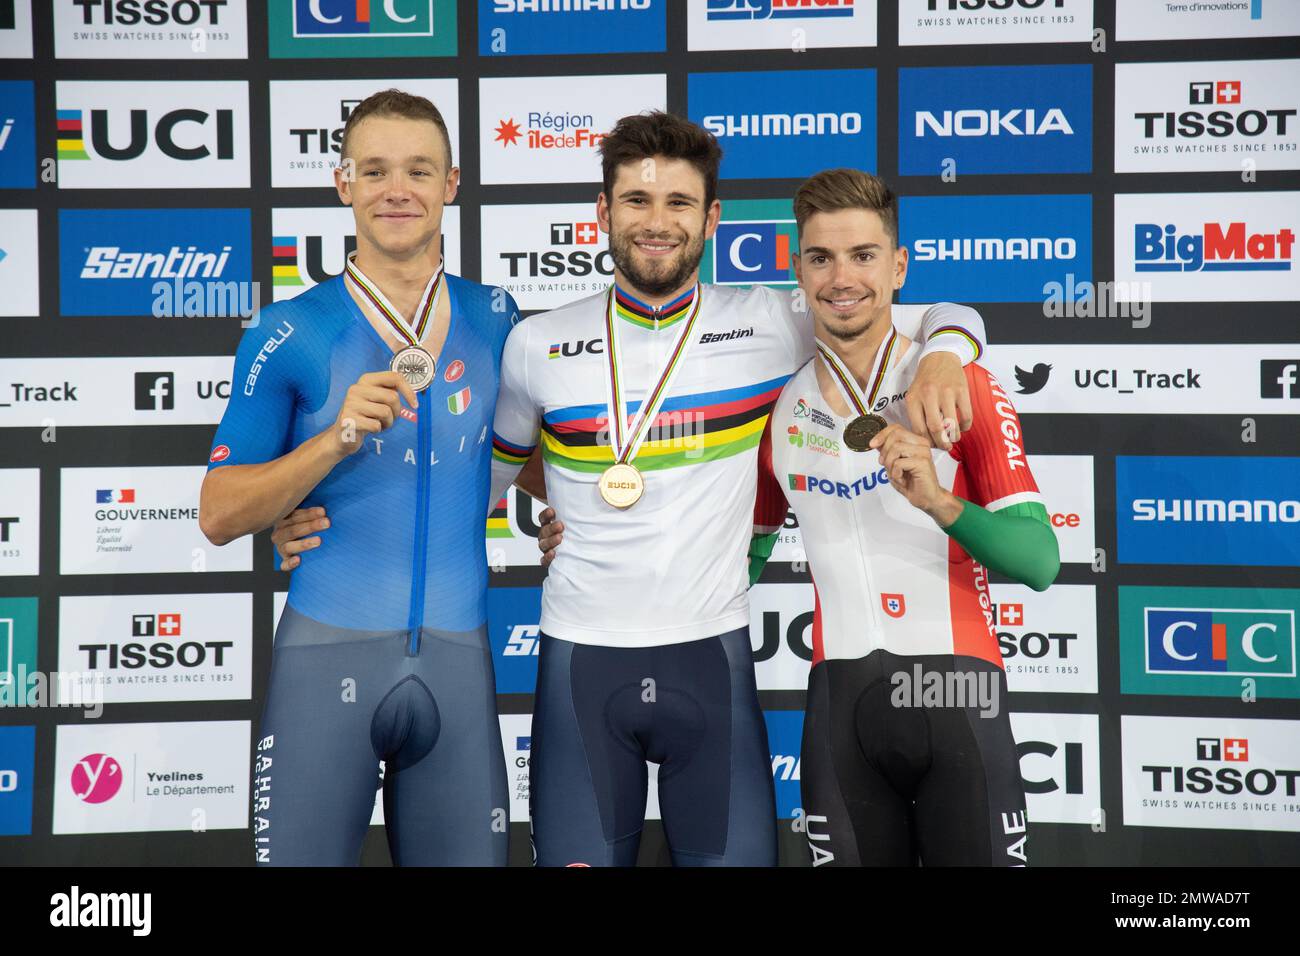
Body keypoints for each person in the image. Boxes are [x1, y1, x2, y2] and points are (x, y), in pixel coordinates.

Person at [485, 113, 989, 866]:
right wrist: (564, 492)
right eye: (637, 201)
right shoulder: (536, 342)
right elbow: (490, 476)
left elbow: (942, 314)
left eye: (679, 204)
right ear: (603, 211)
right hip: (579, 665)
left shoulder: (773, 320)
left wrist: (948, 356)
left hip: (709, 660)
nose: (657, 224)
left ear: (712, 218)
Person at [199, 90, 532, 866]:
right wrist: (332, 444)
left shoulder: (498, 316)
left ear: (453, 183)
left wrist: (571, 506)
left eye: (420, 170)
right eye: (374, 169)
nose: (397, 189)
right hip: (328, 659)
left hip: (458, 658)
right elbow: (218, 513)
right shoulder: (291, 329)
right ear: (343, 183)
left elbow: (528, 456)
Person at [749, 168, 1060, 866]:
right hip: (839, 711)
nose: (841, 277)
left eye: (863, 256)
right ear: (797, 270)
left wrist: (941, 504)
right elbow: (743, 555)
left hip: (960, 698)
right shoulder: (775, 409)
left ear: (898, 267)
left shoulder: (959, 379)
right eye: (821, 257)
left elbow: (1040, 562)